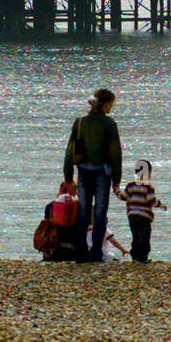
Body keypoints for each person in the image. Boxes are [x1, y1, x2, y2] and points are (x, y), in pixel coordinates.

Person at [63, 87, 124, 263]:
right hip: (102, 174)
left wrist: (68, 177)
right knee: (99, 213)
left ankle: (80, 253)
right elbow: (115, 154)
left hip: (83, 173)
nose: (111, 107)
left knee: (83, 213)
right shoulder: (109, 124)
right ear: (105, 105)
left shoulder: (79, 122)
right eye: (111, 104)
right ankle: (96, 253)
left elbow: (69, 150)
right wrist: (117, 181)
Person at [122, 160, 167, 263]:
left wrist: (117, 192)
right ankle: (142, 258)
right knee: (144, 237)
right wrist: (161, 205)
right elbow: (151, 200)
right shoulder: (148, 187)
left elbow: (124, 197)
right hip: (144, 216)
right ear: (148, 173)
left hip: (132, 215)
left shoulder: (130, 185)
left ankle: (134, 257)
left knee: (135, 236)